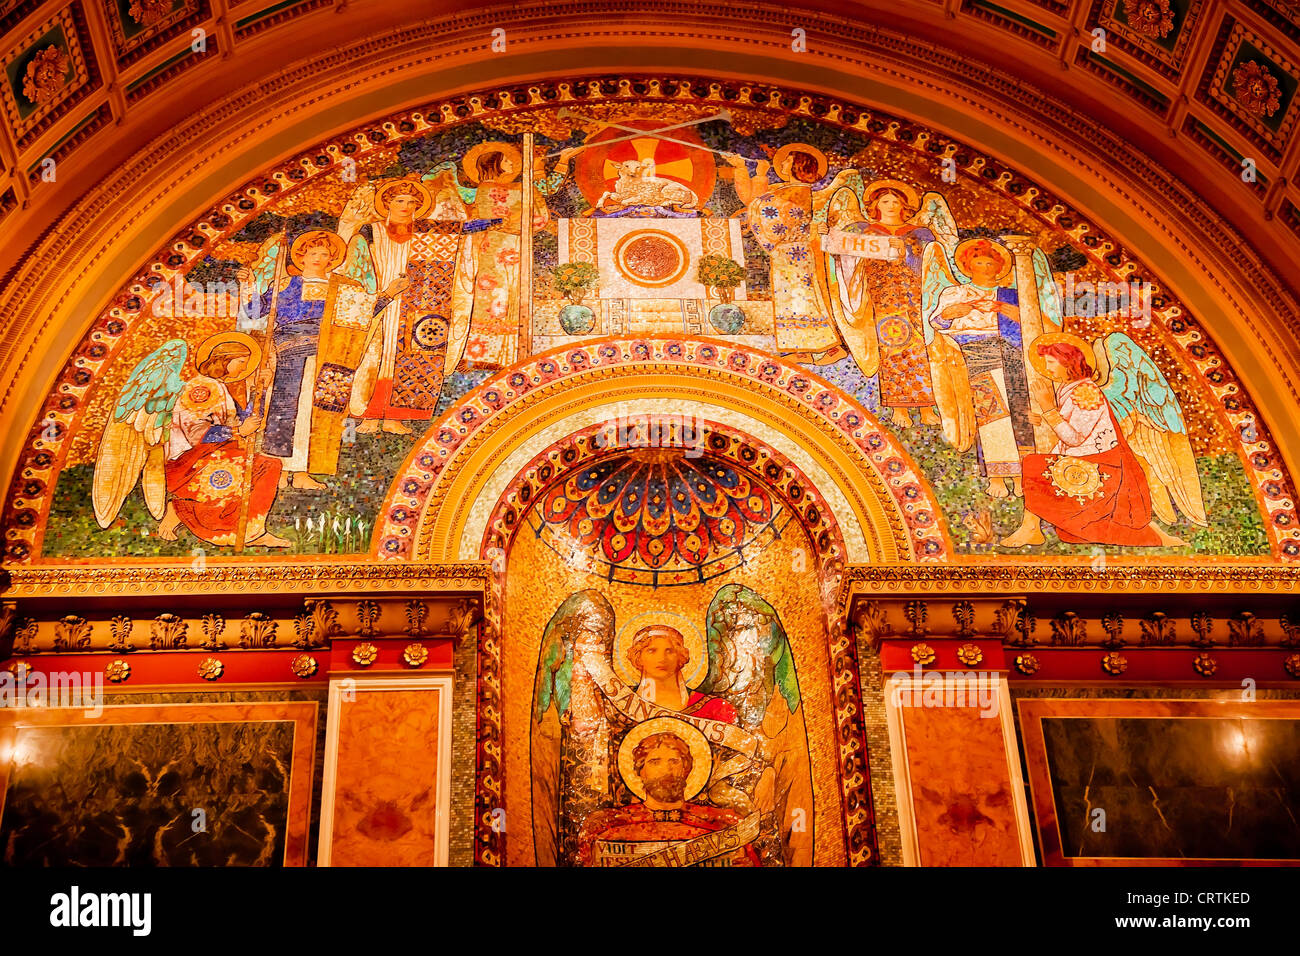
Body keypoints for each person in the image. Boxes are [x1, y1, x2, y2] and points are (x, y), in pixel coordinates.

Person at [999, 338, 1187, 548]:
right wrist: (1043, 418)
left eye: (1051, 362)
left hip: (1103, 468)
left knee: (1034, 466)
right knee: (1041, 475)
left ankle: (1031, 529)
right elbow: (1070, 426)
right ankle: (1032, 530)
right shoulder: (1069, 388)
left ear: (1067, 362)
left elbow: (1074, 438)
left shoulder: (1086, 392)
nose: (1046, 367)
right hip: (1084, 460)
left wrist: (1048, 408)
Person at [724, 144, 855, 362]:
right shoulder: (783, 189)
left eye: (787, 160)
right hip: (785, 253)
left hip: (797, 253)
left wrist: (749, 172)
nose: (783, 163)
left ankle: (830, 348)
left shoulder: (800, 191)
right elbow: (754, 200)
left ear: (798, 165)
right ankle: (802, 349)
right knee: (789, 300)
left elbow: (759, 204)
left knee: (804, 299)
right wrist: (749, 171)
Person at [157, 333, 289, 548]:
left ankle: (250, 529)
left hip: (213, 453)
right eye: (241, 362)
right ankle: (242, 530)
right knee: (263, 467)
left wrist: (260, 390)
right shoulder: (202, 388)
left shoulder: (218, 387)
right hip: (189, 461)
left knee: (266, 466)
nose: (244, 368)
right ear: (225, 360)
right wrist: (237, 432)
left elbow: (243, 419)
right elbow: (196, 431)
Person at [926, 239, 1035, 498]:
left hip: (1011, 351)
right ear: (967, 266)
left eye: (990, 262)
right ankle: (997, 476)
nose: (985, 267)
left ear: (1000, 267)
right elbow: (936, 322)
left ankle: (1021, 476)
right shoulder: (956, 293)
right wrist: (951, 313)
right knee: (990, 412)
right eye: (979, 262)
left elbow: (1031, 321)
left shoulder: (1011, 294)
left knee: (1020, 412)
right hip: (973, 352)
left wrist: (1003, 308)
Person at [838, 181, 941, 427]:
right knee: (891, 345)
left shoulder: (919, 233)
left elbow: (933, 262)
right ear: (875, 205)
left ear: (905, 205)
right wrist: (825, 236)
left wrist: (907, 249)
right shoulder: (865, 232)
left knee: (920, 347)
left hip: (914, 296)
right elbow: (844, 258)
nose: (891, 206)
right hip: (882, 297)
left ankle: (926, 408)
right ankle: (899, 409)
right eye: (885, 201)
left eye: (896, 201)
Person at [577, 730, 760, 867]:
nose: (666, 770)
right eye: (655, 762)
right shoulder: (609, 825)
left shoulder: (723, 824)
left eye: (674, 761)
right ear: (640, 771)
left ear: (686, 769)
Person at [626, 624, 736, 721]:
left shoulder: (714, 708)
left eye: (669, 651)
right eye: (651, 651)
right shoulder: (623, 702)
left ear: (680, 656)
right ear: (638, 657)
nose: (661, 659)